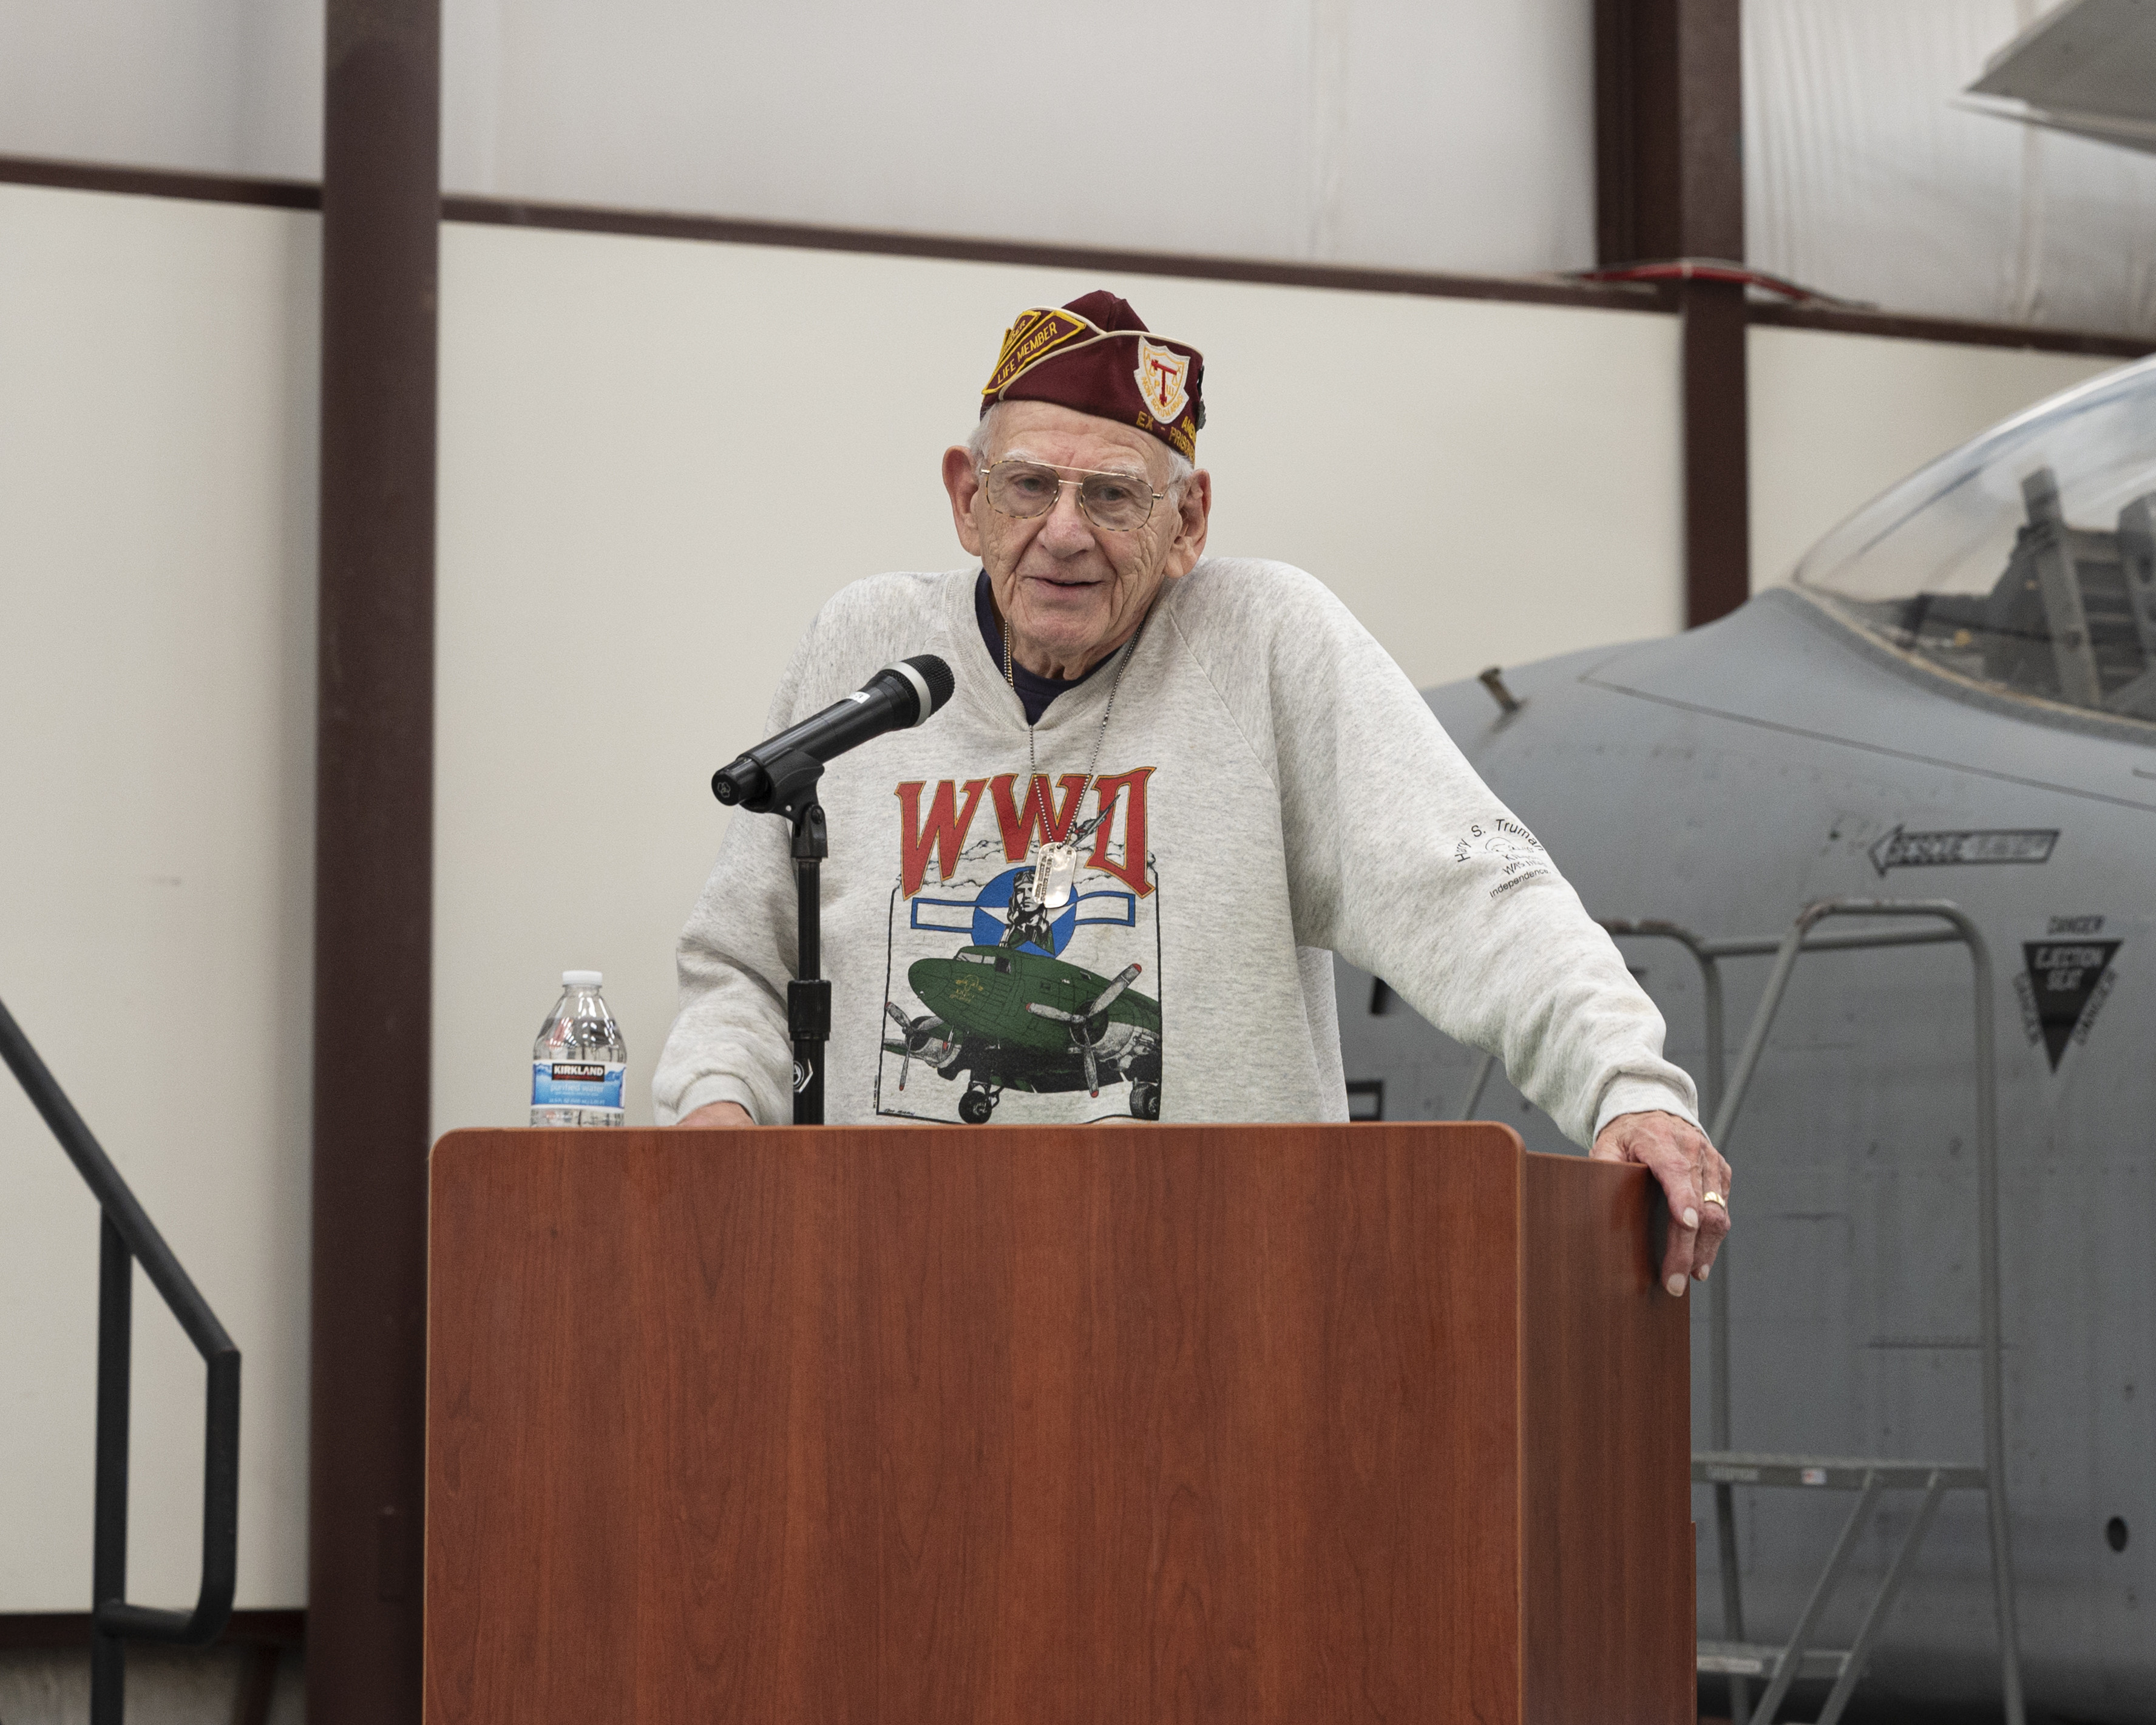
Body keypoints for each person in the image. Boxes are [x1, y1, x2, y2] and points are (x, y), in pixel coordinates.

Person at [656, 290, 1731, 1293]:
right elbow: (744, 966)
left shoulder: (1266, 643)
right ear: (964, 498)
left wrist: (1625, 1087)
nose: (1065, 532)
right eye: (1029, 485)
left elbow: (1478, 890)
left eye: (1115, 495)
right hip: (895, 1300)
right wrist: (715, 1120)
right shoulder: (867, 646)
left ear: (1190, 523)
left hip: (1214, 1308)